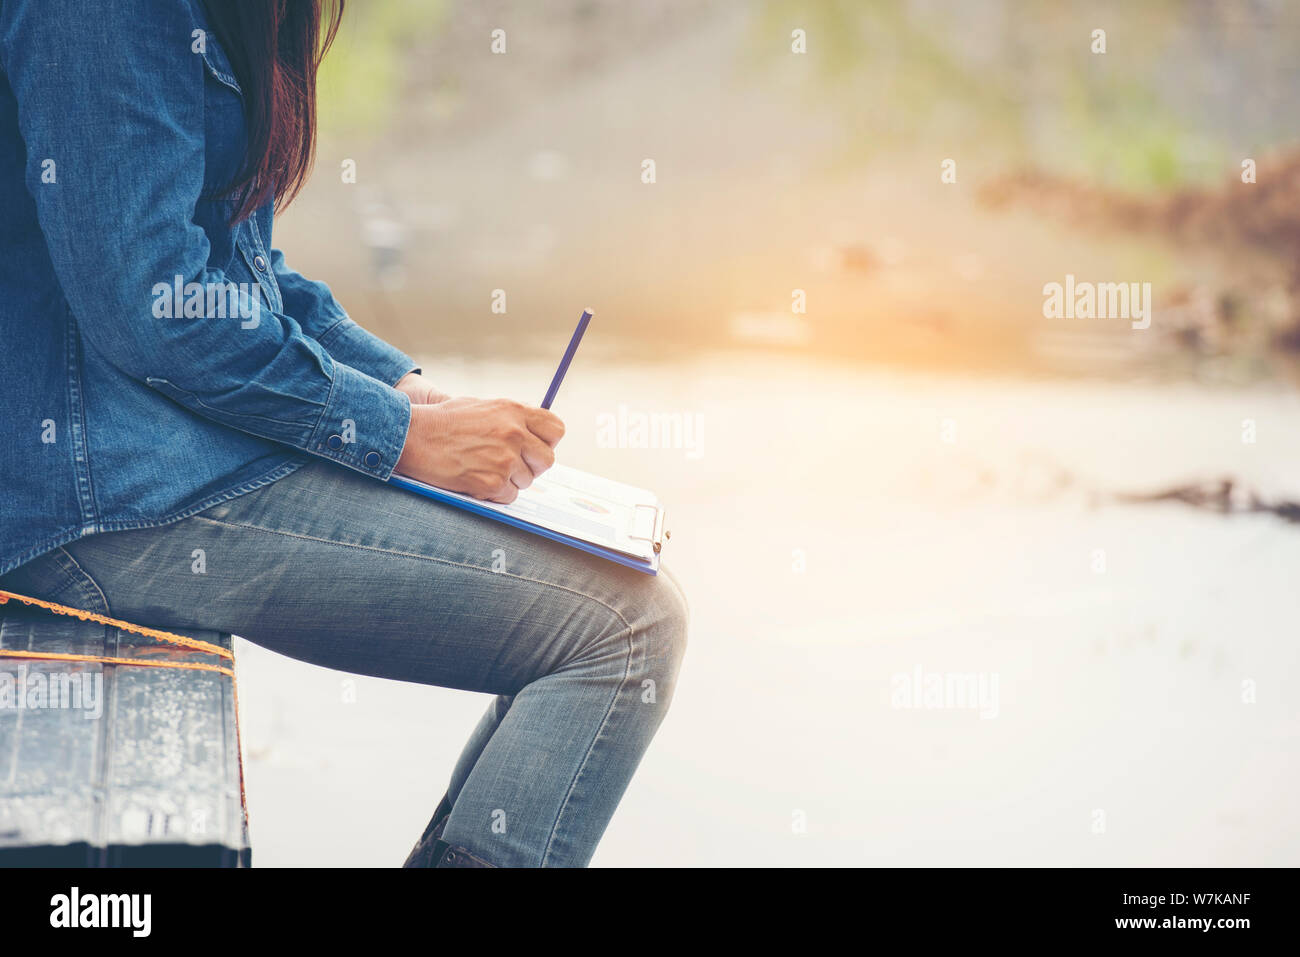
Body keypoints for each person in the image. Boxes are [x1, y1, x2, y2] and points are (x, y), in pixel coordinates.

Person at [0, 0, 688, 868]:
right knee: (621, 631)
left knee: (627, 605)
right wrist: (401, 439)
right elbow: (154, 305)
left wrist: (407, 393)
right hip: (88, 492)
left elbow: (236, 266)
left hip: (153, 449)